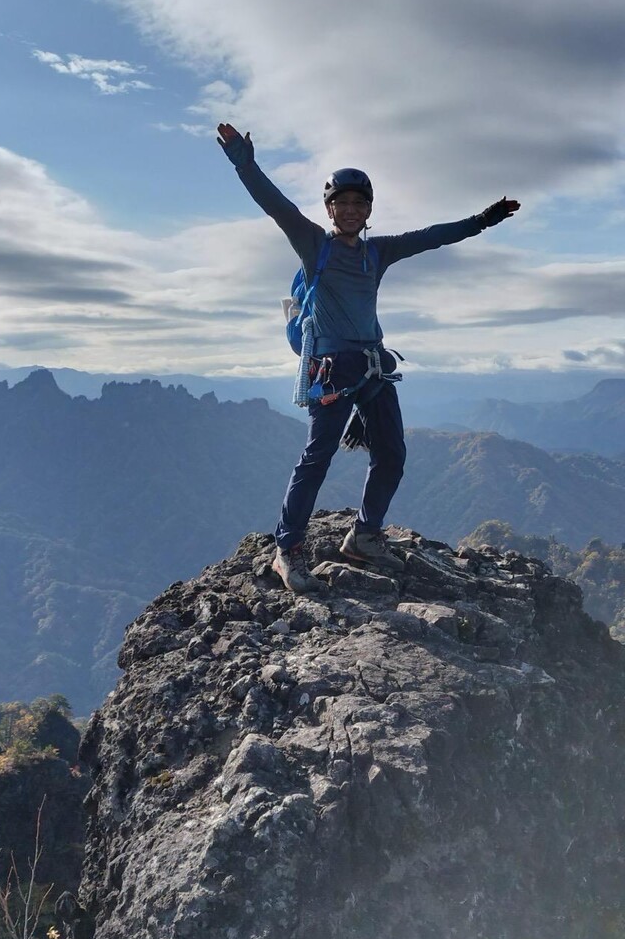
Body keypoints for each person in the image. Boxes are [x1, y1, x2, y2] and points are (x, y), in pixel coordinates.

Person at [217, 123, 520, 593]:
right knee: (316, 458)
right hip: (331, 371)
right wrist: (242, 159)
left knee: (392, 454)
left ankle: (363, 535)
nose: (351, 210)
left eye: (360, 203)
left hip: (372, 366)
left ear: (369, 210)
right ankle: (287, 549)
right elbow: (273, 203)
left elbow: (433, 236)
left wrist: (483, 220)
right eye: (343, 203)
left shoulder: (379, 252)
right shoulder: (314, 244)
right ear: (330, 208)